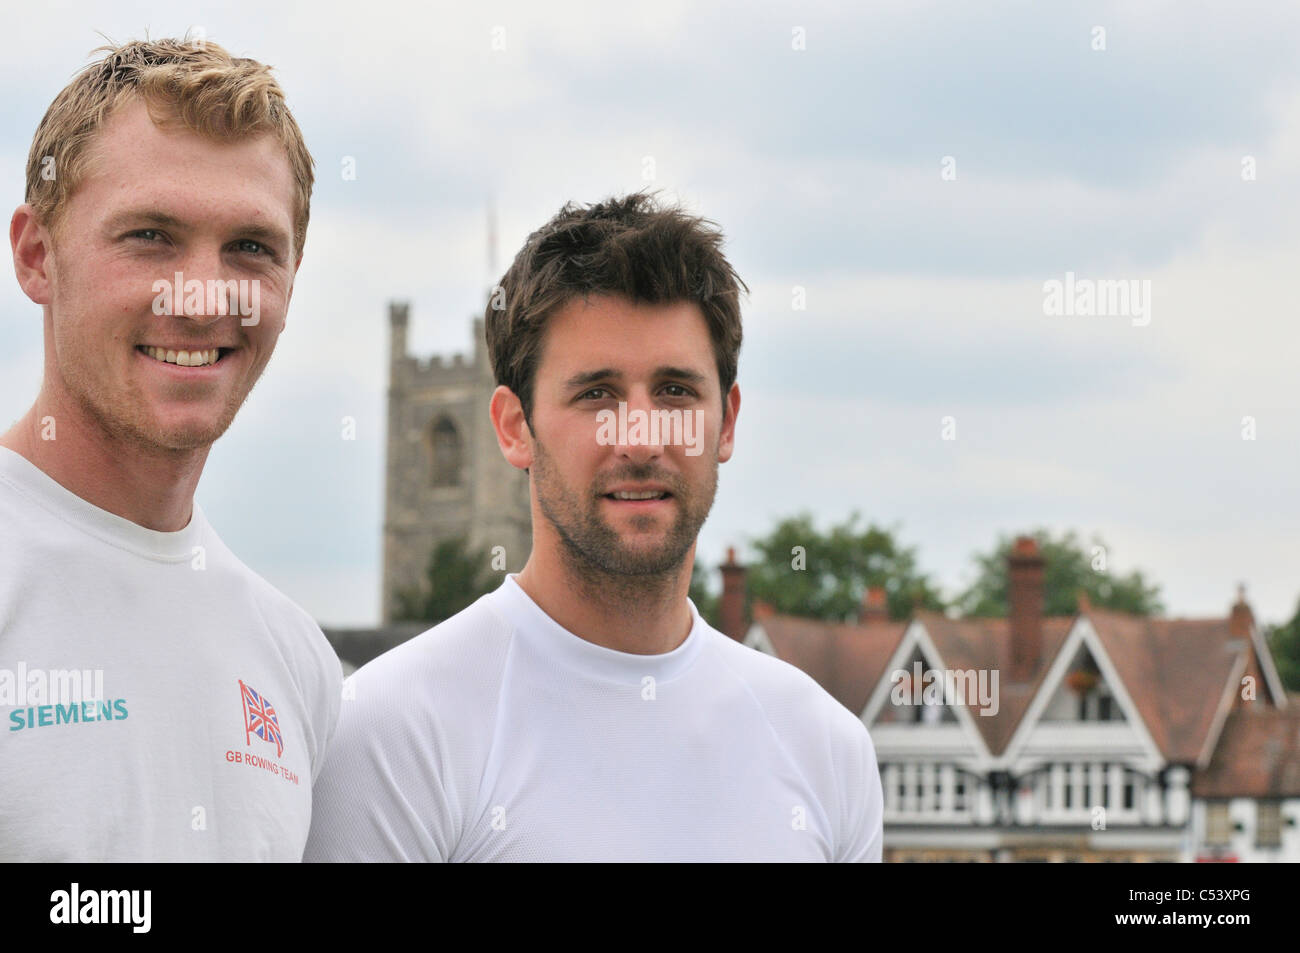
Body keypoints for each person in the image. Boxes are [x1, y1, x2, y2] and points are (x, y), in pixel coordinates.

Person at [305, 193, 883, 861]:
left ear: (725, 422)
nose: (639, 437)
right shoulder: (388, 732)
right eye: (596, 394)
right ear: (514, 427)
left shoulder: (827, 750)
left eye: (674, 391)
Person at [0, 37, 341, 861]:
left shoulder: (297, 661)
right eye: (152, 235)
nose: (202, 296)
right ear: (37, 255)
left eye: (251, 249)